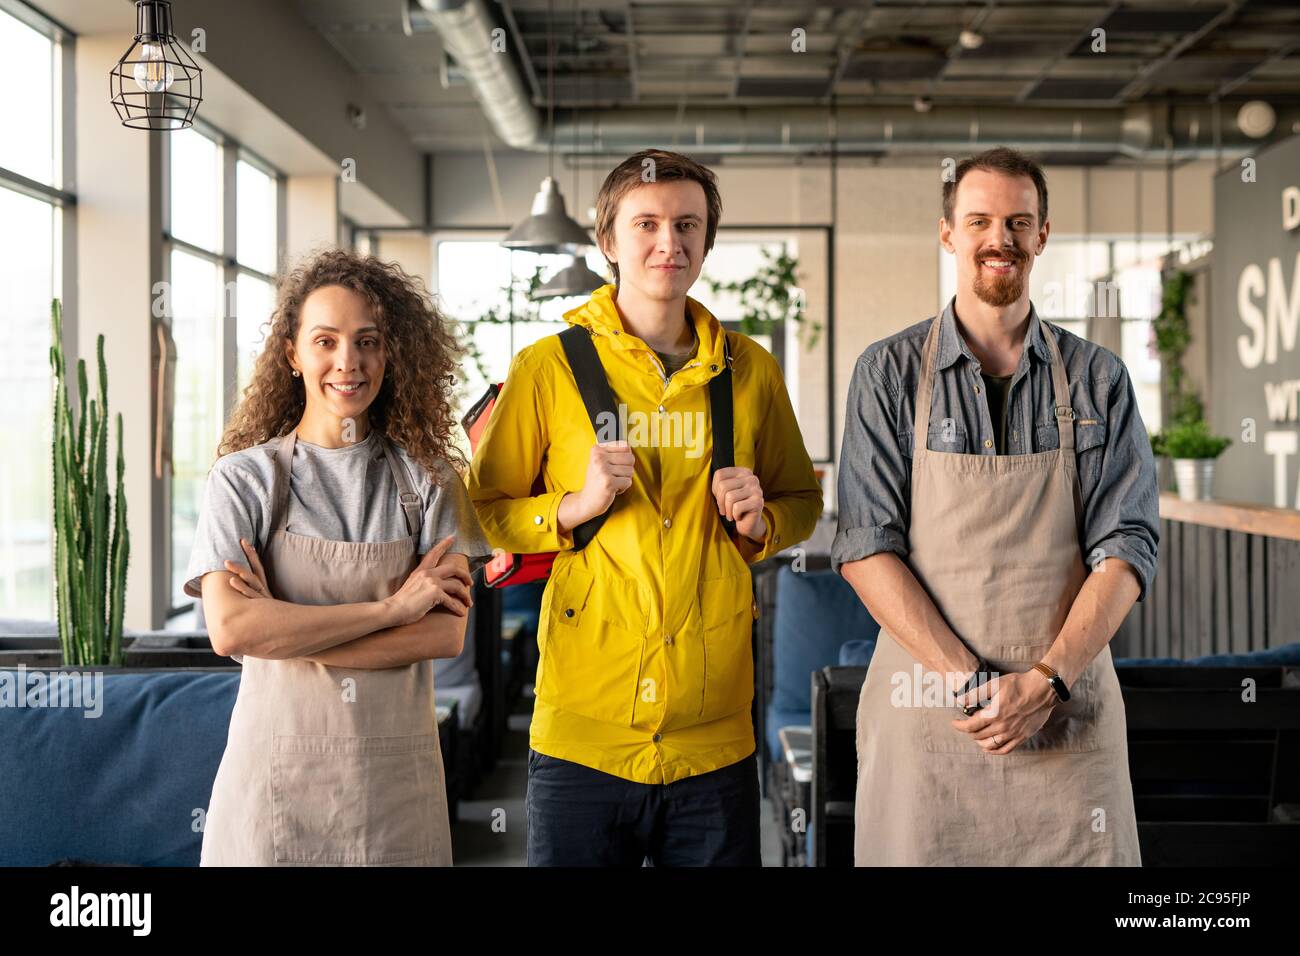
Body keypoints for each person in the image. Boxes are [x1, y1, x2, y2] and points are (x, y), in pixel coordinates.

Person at [468, 149, 823, 866]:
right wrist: (571, 507)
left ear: (707, 242)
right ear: (608, 242)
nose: (670, 242)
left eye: (688, 225)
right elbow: (482, 511)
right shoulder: (547, 367)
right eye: (648, 224)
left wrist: (765, 521)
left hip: (714, 734)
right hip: (582, 732)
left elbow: (803, 500)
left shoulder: (749, 369)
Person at [834, 147, 1158, 866]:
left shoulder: (1099, 379)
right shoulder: (886, 374)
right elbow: (864, 546)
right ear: (948, 233)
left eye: (1019, 221)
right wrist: (973, 683)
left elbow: (1127, 546)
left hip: (1068, 718)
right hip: (930, 718)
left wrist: (1046, 681)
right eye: (979, 220)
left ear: (1043, 235)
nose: (999, 238)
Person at [185, 248, 492, 866]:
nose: (347, 362)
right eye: (325, 341)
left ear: (390, 355)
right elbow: (233, 630)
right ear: (293, 356)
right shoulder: (243, 481)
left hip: (395, 797)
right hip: (274, 795)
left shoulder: (431, 481)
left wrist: (284, 632)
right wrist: (394, 608)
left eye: (367, 341)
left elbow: (442, 636)